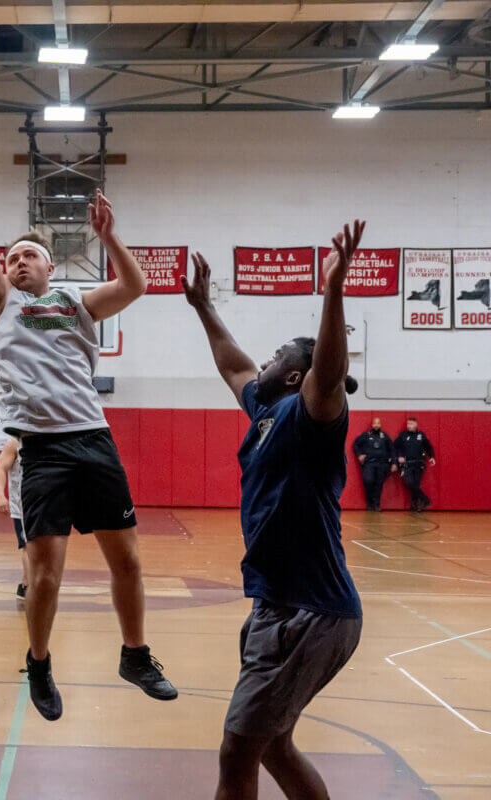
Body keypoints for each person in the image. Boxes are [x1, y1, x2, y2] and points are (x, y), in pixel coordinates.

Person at [0, 124, 175, 718]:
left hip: (92, 440)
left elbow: (136, 285)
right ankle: (38, 662)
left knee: (129, 560)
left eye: (27, 255)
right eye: (9, 257)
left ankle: (135, 654)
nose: (15, 262)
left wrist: (110, 239)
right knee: (45, 575)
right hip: (41, 450)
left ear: (49, 264)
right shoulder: (0, 303)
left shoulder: (75, 300)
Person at [182, 223, 366, 800]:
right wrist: (205, 308)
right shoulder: (264, 411)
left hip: (313, 611)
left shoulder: (312, 416)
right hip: (277, 606)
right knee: (275, 744)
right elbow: (232, 364)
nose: (261, 359)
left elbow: (329, 371)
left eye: (276, 355)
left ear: (295, 375)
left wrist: (332, 293)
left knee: (239, 747)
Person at [0, 435, 29, 602]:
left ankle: (28, 583)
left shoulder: (49, 440)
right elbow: (1, 468)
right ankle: (28, 586)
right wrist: (0, 495)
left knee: (43, 546)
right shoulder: (15, 443)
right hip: (22, 505)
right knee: (29, 546)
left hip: (44, 501)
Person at [352, 418, 395, 511]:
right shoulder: (366, 435)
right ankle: (369, 502)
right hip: (369, 464)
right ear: (372, 425)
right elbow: (355, 444)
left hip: (381, 464)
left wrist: (394, 463)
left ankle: (376, 505)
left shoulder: (385, 437)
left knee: (379, 484)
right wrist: (359, 455)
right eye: (374, 423)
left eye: (378, 423)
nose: (376, 425)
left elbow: (392, 449)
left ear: (380, 425)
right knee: (368, 481)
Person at [395, 418, 436, 512]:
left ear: (416, 424)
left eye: (411, 423)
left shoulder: (421, 435)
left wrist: (432, 457)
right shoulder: (403, 435)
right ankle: (425, 499)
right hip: (407, 463)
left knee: (416, 485)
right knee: (409, 482)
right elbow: (395, 447)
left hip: (419, 463)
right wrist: (399, 456)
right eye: (408, 423)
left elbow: (428, 446)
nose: (409, 425)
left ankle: (414, 505)